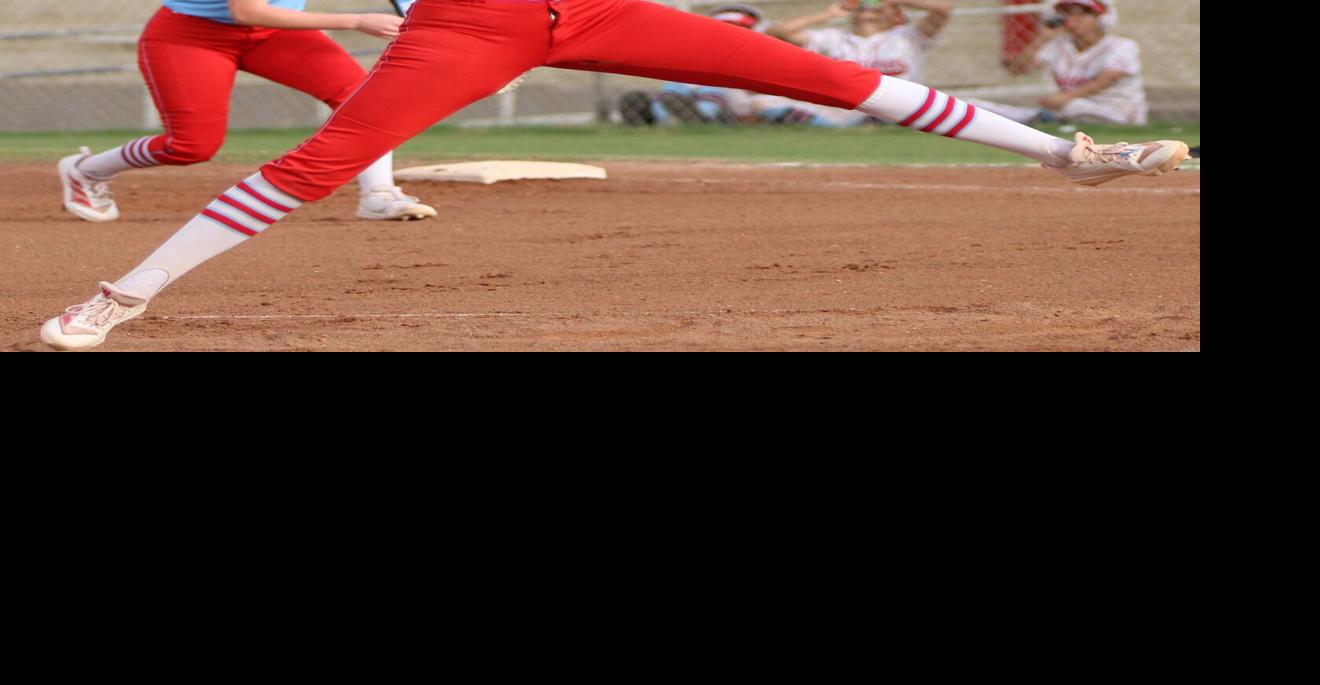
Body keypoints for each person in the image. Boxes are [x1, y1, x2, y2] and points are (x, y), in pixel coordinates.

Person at [39, 0, 1189, 351]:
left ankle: (1064, 156)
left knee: (811, 75)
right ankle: (124, 294)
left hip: (590, 7)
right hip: (464, 28)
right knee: (324, 154)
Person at [57, 0, 437, 225]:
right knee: (191, 146)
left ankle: (379, 195)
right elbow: (246, 10)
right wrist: (355, 20)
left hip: (275, 34)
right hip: (193, 35)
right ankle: (86, 170)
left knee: (365, 97)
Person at [759, 0, 951, 127]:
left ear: (895, 15)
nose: (869, 9)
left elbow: (943, 8)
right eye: (864, 6)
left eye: (878, 7)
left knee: (967, 107)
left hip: (898, 105)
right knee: (761, 103)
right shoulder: (834, 38)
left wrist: (897, 0)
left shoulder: (908, 36)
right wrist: (828, 14)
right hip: (848, 111)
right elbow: (778, 31)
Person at [975, 0, 1148, 126]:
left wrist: (1064, 98)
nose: (1073, 19)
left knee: (1071, 107)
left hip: (1117, 112)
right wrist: (1041, 39)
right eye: (1068, 13)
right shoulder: (1057, 45)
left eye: (1084, 13)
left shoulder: (1122, 45)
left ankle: (1045, 118)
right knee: (977, 105)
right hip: (1064, 109)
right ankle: (1043, 118)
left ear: (1102, 18)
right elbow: (1017, 70)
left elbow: (1104, 81)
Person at [618, 4, 767, 126]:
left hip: (731, 99)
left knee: (714, 84)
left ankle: (701, 119)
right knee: (677, 83)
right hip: (693, 94)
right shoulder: (700, 48)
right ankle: (660, 116)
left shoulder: (760, 50)